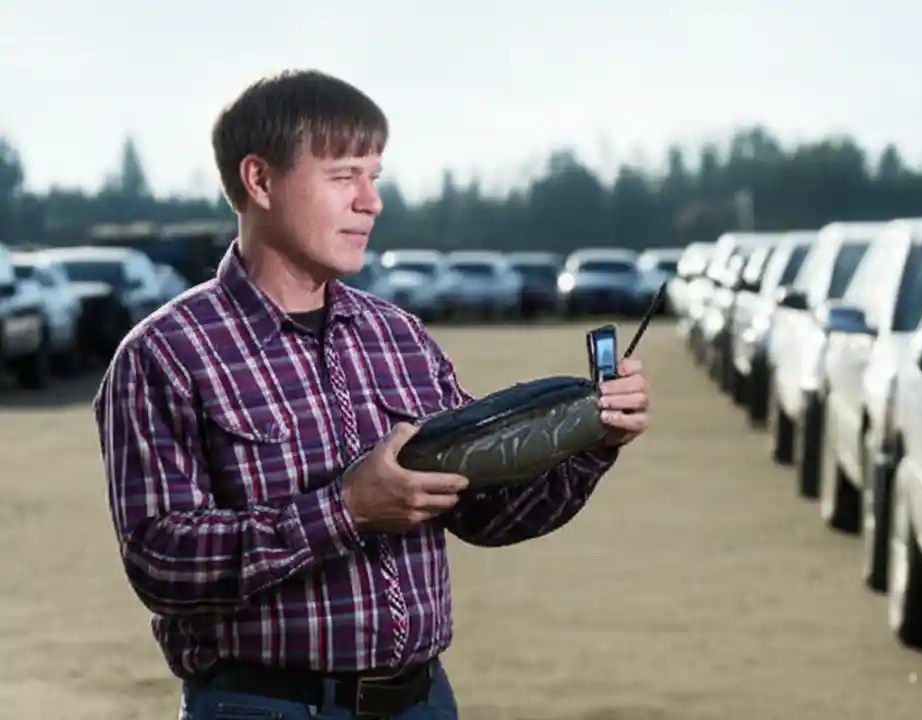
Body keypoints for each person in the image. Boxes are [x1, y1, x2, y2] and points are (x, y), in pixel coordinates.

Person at [91, 69, 651, 720]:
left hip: (422, 703)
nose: (371, 201)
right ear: (260, 181)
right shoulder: (165, 354)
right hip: (260, 708)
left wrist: (591, 439)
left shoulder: (400, 337)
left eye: (374, 177)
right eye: (343, 176)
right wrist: (347, 509)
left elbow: (486, 515)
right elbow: (162, 562)